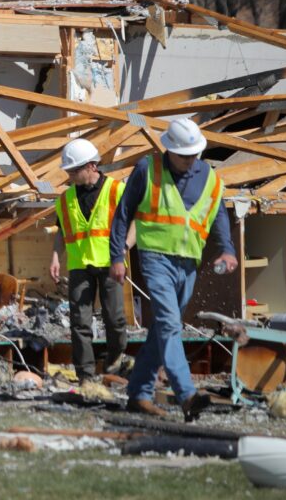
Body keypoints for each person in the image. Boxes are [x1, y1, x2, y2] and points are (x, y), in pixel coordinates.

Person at [109, 117, 238, 422]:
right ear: (169, 150)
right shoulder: (147, 169)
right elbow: (124, 212)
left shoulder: (210, 177)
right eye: (185, 155)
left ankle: (138, 395)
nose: (190, 160)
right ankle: (187, 395)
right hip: (155, 257)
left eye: (195, 154)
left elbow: (218, 214)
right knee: (169, 324)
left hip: (189, 263)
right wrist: (117, 256)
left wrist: (227, 249)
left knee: (161, 331)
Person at [50, 138, 130, 383]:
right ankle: (85, 375)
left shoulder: (117, 190)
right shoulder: (65, 199)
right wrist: (55, 256)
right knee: (79, 323)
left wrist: (124, 248)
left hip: (109, 264)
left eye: (74, 171)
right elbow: (62, 231)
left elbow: (135, 221)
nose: (71, 176)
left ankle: (112, 366)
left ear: (92, 166)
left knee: (115, 320)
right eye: (69, 171)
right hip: (79, 266)